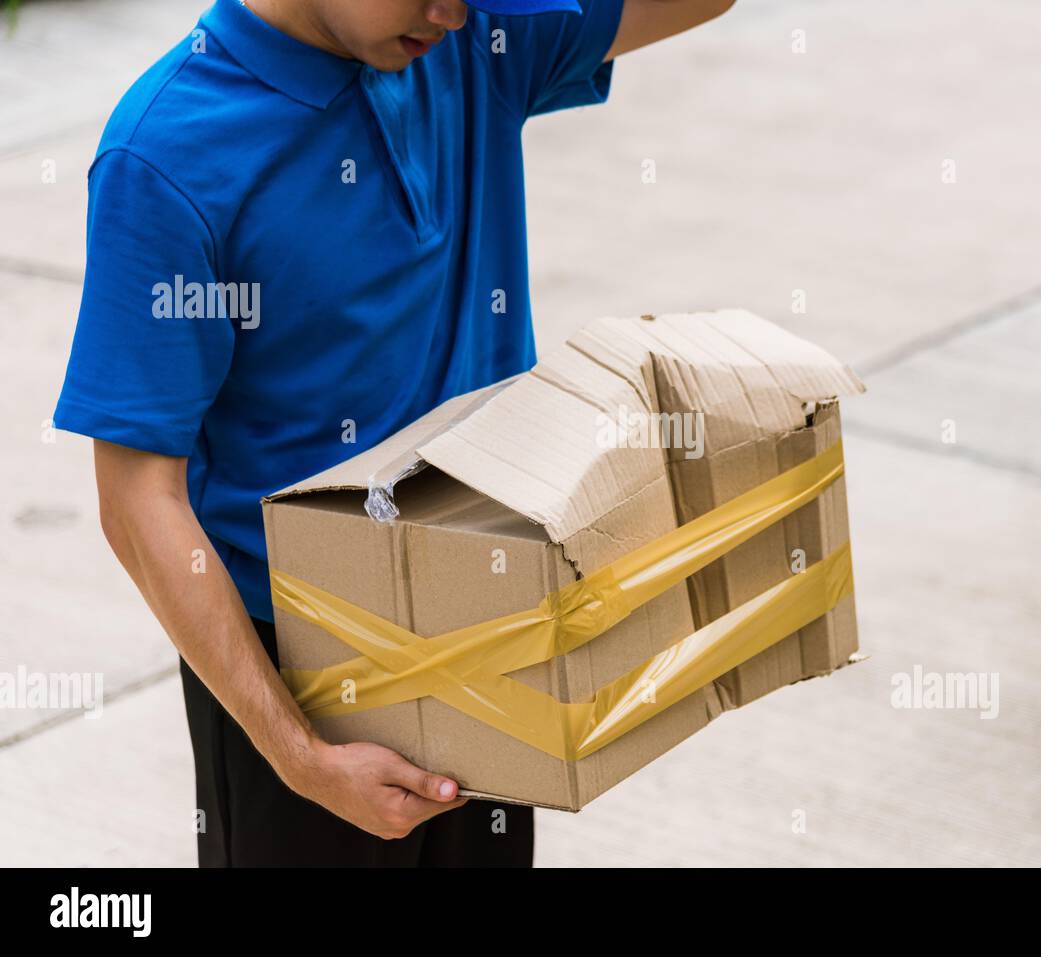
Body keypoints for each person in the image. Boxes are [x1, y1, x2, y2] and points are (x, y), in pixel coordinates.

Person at [52, 0, 735, 867]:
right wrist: (300, 756)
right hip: (298, 674)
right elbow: (137, 498)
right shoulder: (166, 154)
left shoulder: (472, 42)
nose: (450, 13)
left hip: (493, 624)